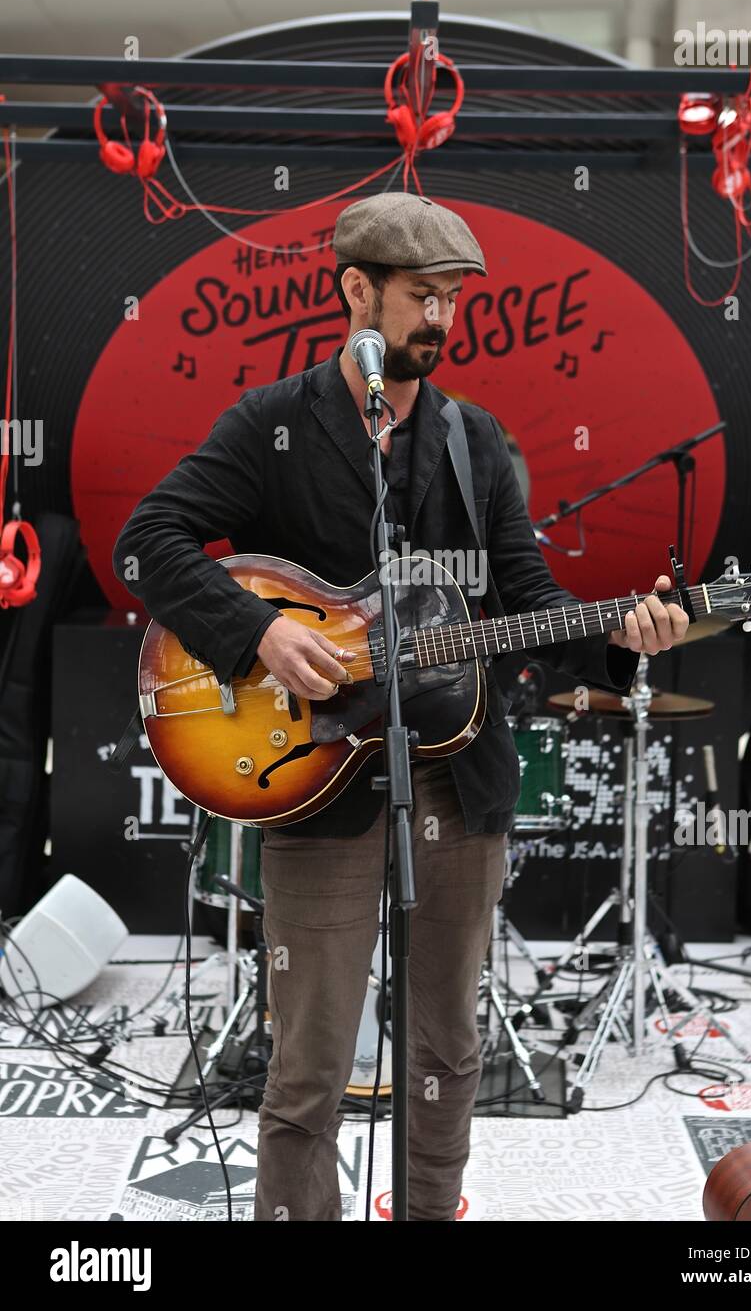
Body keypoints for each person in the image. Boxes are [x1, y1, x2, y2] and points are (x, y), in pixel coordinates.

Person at [112, 191, 689, 1221]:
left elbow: (529, 597)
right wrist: (260, 635)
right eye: (421, 296)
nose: (440, 319)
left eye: (452, 300)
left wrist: (618, 632)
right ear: (353, 291)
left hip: (454, 781)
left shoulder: (473, 441)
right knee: (308, 1061)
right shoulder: (272, 424)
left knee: (447, 1042)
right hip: (317, 779)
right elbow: (148, 539)